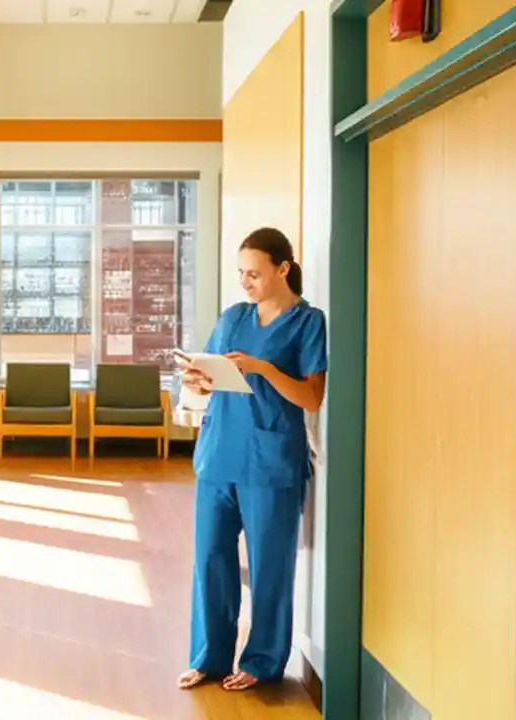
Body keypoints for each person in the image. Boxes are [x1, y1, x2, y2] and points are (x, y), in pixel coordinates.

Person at [175, 228, 327, 692]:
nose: (246, 282)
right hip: (220, 453)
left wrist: (262, 368)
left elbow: (312, 397)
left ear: (283, 269)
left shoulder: (308, 322)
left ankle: (261, 662)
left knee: (269, 567)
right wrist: (200, 380)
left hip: (271, 460)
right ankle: (209, 657)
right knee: (211, 559)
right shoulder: (233, 317)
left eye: (255, 273)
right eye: (241, 273)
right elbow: (212, 374)